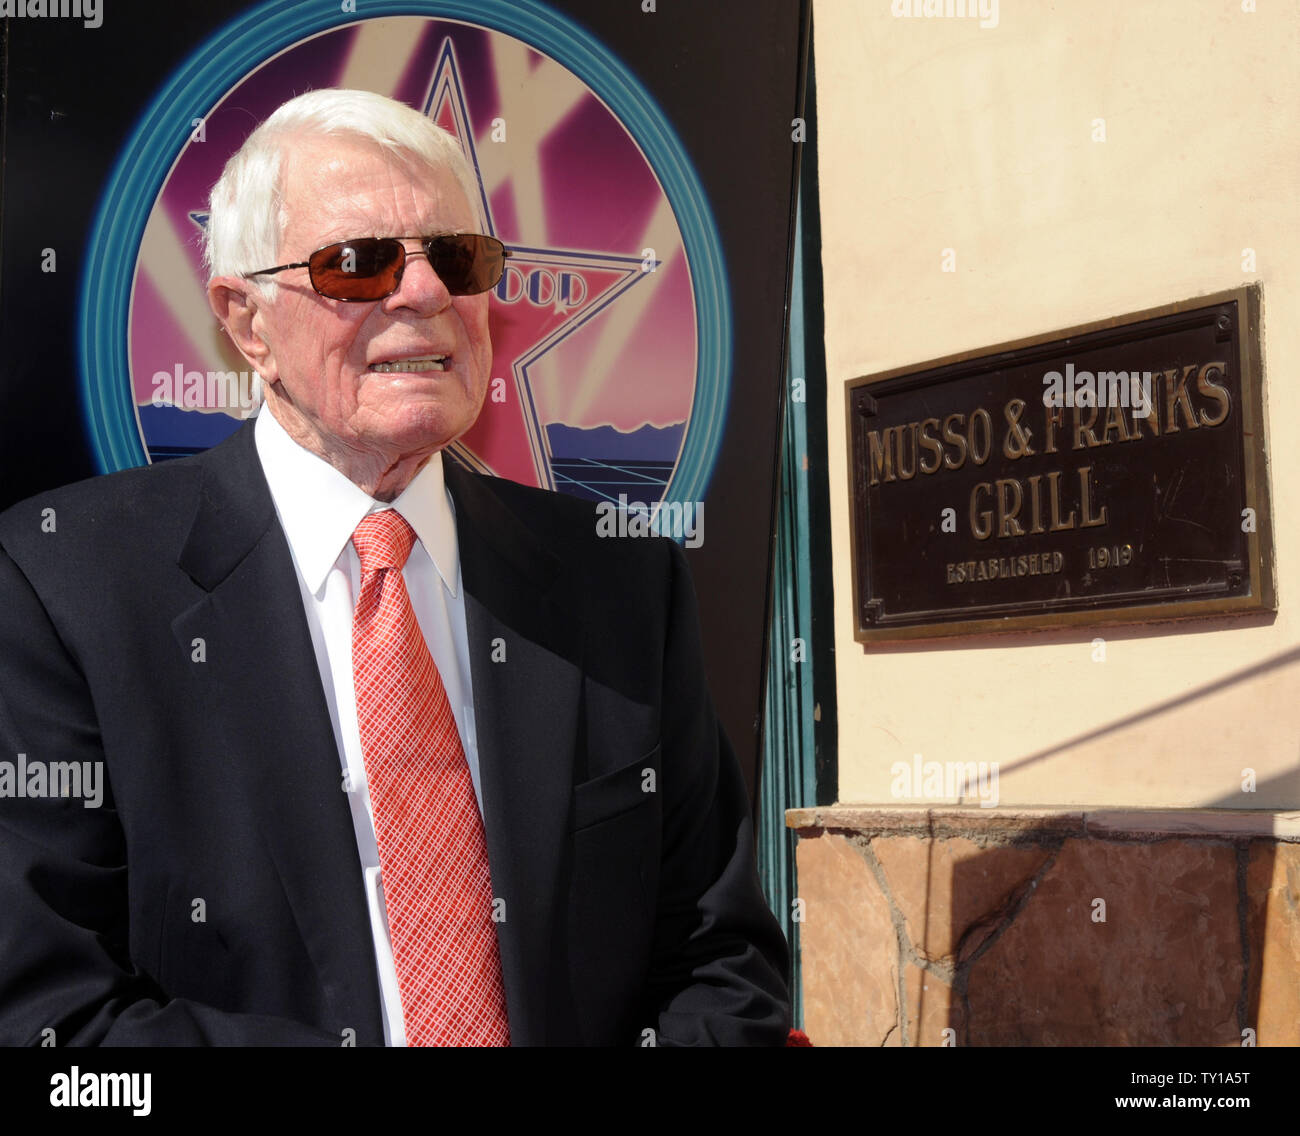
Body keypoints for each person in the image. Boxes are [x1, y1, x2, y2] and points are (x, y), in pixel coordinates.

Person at [0, 89, 790, 1046]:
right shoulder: (63, 586)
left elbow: (721, 963)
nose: (423, 293)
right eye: (358, 264)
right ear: (247, 323)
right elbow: (51, 1015)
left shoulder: (621, 583)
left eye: (455, 258)